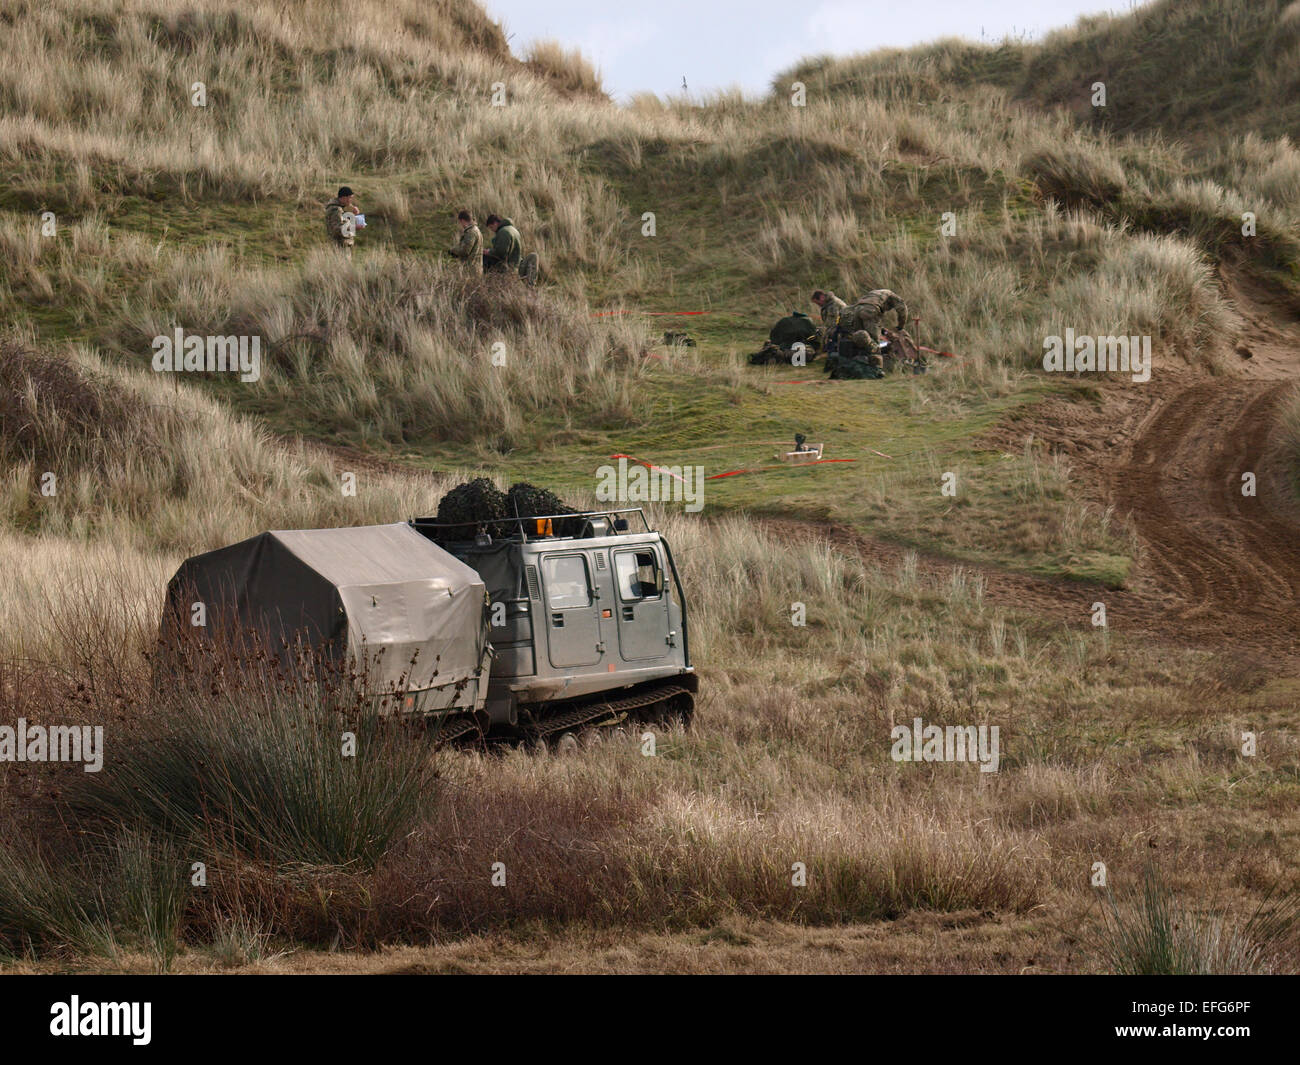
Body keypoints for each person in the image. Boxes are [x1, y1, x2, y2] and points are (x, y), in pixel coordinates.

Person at [324, 186, 360, 260]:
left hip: (340, 246)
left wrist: (353, 215)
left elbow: (341, 222)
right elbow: (338, 229)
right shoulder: (336, 210)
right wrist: (354, 226)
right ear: (344, 198)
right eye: (350, 198)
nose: (351, 200)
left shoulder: (337, 208)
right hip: (340, 247)